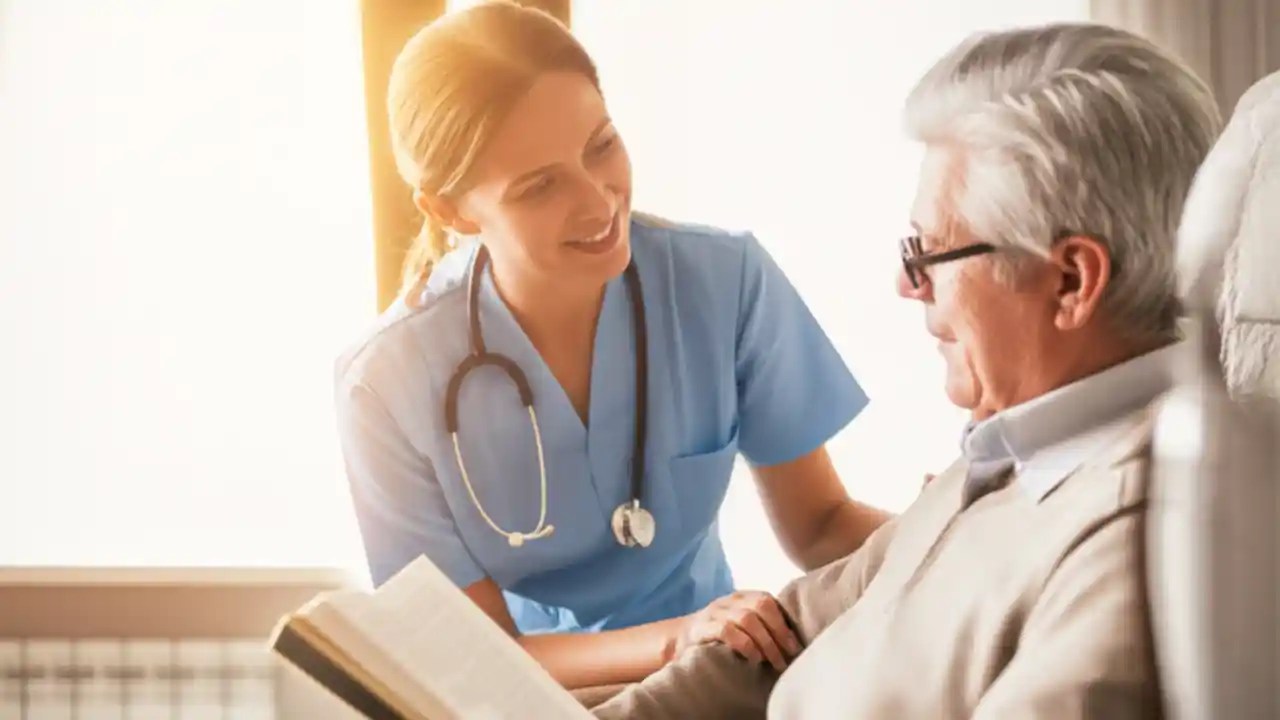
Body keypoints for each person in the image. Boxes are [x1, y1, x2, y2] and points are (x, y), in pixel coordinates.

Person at [588, 21, 1222, 719]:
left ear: (1071, 281)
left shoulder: (1138, 539)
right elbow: (789, 629)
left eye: (929, 251)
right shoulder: (1005, 453)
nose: (906, 283)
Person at [333, 0, 890, 690]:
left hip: (713, 679)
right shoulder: (384, 383)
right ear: (450, 210)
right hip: (531, 698)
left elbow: (822, 525)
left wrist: (966, 533)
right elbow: (470, 654)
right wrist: (675, 639)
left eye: (601, 146)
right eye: (540, 187)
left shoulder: (723, 282)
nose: (598, 203)